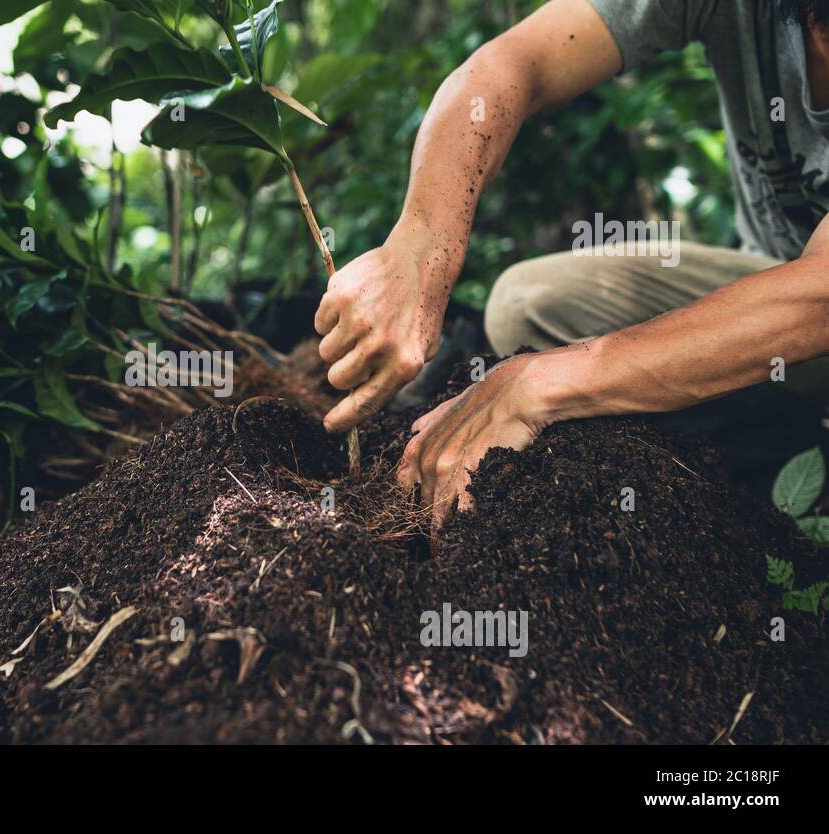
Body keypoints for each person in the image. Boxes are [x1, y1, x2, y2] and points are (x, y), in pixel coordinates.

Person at [314, 0, 829, 525]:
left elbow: (819, 298)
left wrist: (539, 384)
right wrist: (422, 246)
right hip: (771, 273)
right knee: (526, 305)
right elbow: (514, 64)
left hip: (815, 306)